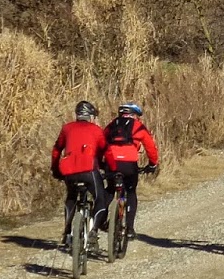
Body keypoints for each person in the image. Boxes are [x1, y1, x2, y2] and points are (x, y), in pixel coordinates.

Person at [51, 100, 107, 250]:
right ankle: (94, 230)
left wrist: (55, 169)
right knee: (100, 198)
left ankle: (67, 232)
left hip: (69, 171)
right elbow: (104, 150)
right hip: (89, 171)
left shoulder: (66, 128)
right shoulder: (96, 130)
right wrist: (106, 167)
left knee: (71, 198)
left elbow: (57, 150)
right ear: (91, 117)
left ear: (77, 115)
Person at [100, 101, 158, 240]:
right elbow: (150, 147)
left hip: (112, 162)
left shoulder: (112, 125)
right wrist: (153, 164)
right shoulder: (138, 127)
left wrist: (101, 162)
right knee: (130, 192)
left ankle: (100, 220)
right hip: (129, 165)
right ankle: (130, 229)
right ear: (134, 115)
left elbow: (101, 141)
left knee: (110, 189)